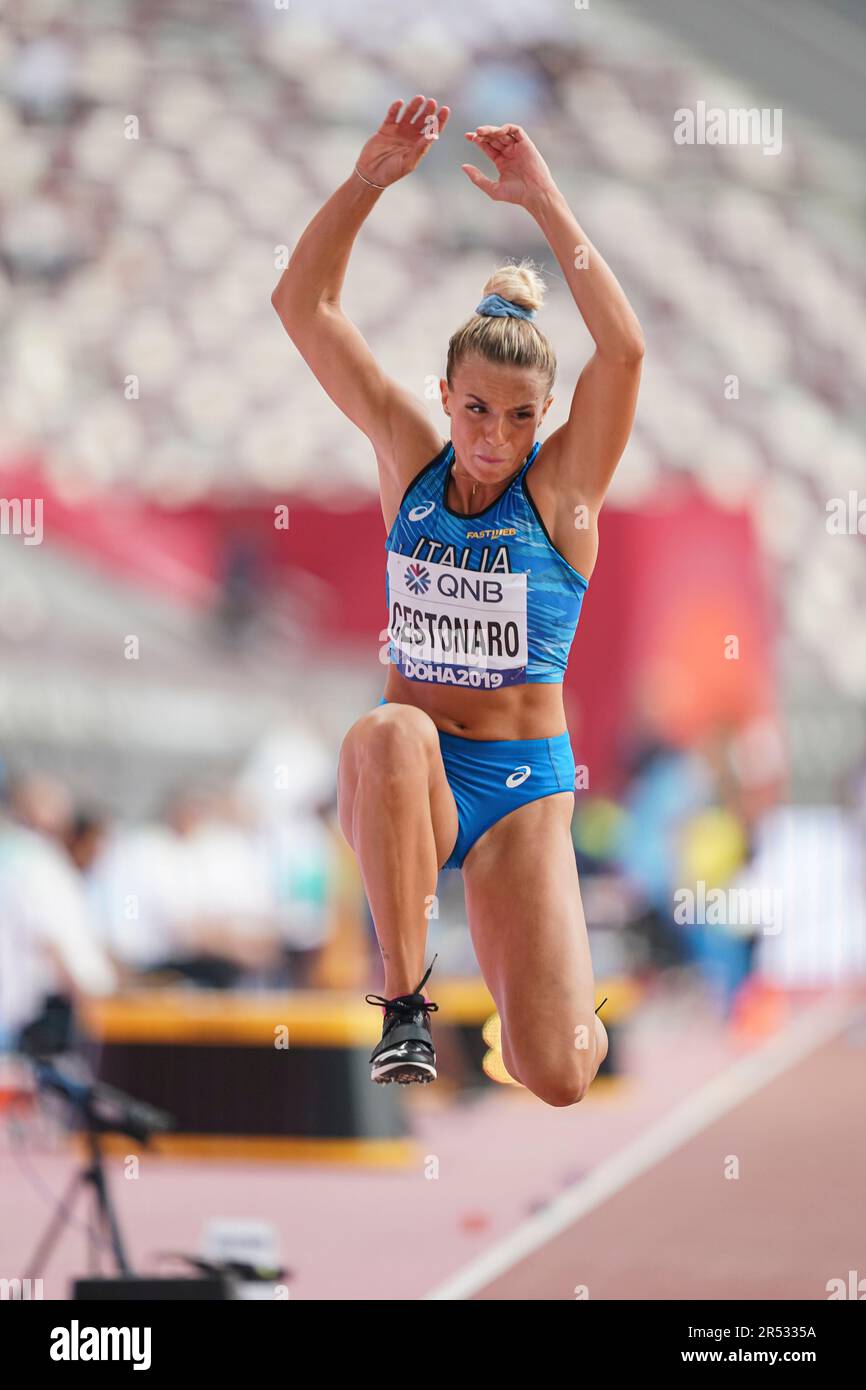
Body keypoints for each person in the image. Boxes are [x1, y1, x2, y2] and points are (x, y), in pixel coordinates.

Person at [271, 97, 644, 1101]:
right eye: (474, 409)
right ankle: (404, 1007)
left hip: (523, 788)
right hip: (418, 780)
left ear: (540, 420)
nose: (491, 436)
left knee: (557, 1073)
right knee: (388, 729)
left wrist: (544, 202)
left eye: (517, 418)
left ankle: (548, 1018)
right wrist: (366, 182)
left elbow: (623, 354)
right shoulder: (408, 459)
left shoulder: (560, 497)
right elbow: (303, 306)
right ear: (443, 396)